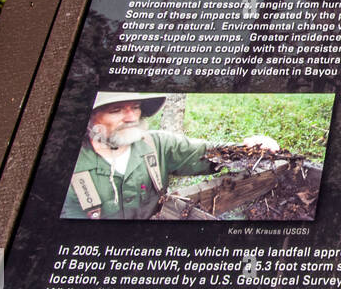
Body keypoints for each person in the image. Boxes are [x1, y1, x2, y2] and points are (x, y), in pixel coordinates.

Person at [62, 92, 278, 220]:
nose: (131, 118)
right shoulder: (68, 163)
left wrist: (250, 147)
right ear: (91, 117)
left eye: (135, 107)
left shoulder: (157, 144)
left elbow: (210, 154)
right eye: (116, 110)